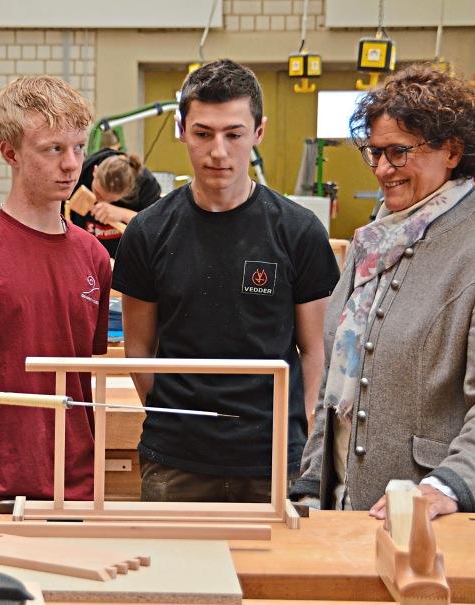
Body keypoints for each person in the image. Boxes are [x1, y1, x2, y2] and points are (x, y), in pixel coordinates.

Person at [113, 59, 339, 503]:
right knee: (174, 573)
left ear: (258, 133)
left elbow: (317, 348)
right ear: (181, 129)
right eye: (203, 133)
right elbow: (138, 346)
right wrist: (170, 413)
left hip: (275, 460)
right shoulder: (148, 231)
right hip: (176, 460)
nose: (218, 151)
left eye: (233, 134)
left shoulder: (298, 231)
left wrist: (302, 422)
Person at [291, 64, 475, 517]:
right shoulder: (376, 241)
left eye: (399, 152)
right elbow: (335, 379)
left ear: (453, 151)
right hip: (341, 504)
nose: (383, 169)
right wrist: (310, 480)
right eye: (375, 152)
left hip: (431, 519)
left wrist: (449, 486)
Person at [0, 75, 112, 505]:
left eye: (78, 147)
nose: (71, 164)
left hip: (75, 488)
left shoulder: (94, 257)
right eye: (53, 149)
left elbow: (91, 378)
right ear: (10, 153)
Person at [69, 148, 161, 258]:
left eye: (111, 200)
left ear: (127, 192)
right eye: (97, 193)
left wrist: (122, 214)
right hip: (85, 255)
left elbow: (156, 227)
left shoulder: (146, 185)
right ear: (95, 171)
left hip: (124, 257)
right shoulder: (80, 172)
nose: (101, 202)